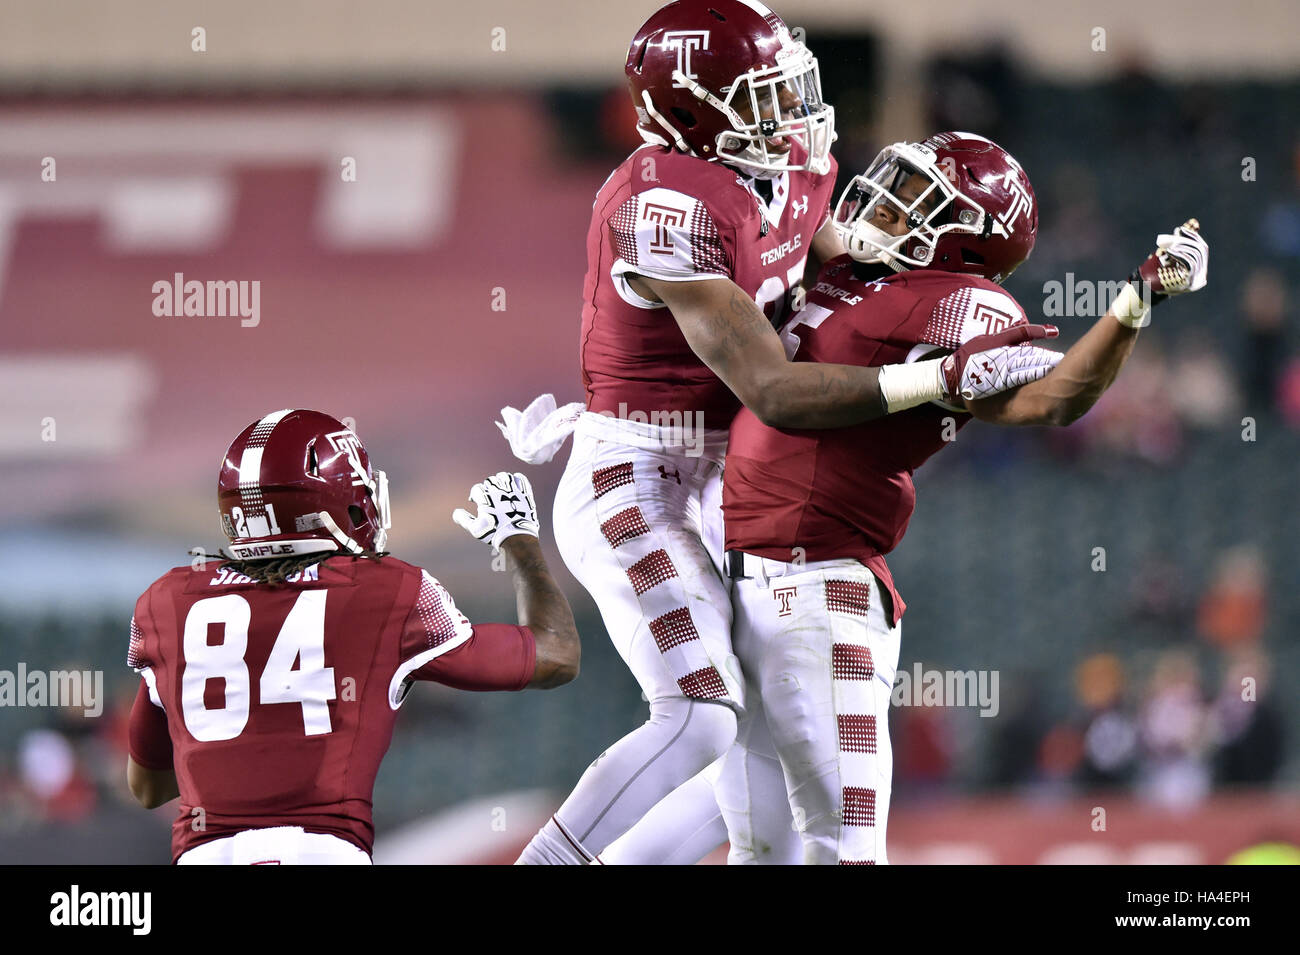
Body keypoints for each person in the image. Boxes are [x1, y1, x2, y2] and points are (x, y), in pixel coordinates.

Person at [504, 1, 1060, 866]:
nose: (788, 112)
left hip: (734, 485)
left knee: (746, 747)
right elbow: (773, 388)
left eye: (783, 88)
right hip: (641, 471)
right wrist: (935, 376)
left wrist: (955, 308)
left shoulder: (793, 162)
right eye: (759, 97)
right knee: (698, 713)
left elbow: (847, 265)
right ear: (691, 110)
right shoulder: (663, 205)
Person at [602, 130, 1209, 864]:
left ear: (966, 238)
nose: (887, 201)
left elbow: (1048, 398)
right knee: (762, 848)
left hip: (821, 592)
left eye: (920, 197)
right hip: (749, 585)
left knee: (846, 850)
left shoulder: (959, 301)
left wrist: (1134, 300)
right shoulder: (854, 268)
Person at [125, 409, 578, 864]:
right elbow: (555, 655)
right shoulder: (390, 590)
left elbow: (148, 787)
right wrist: (519, 539)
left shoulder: (165, 601)